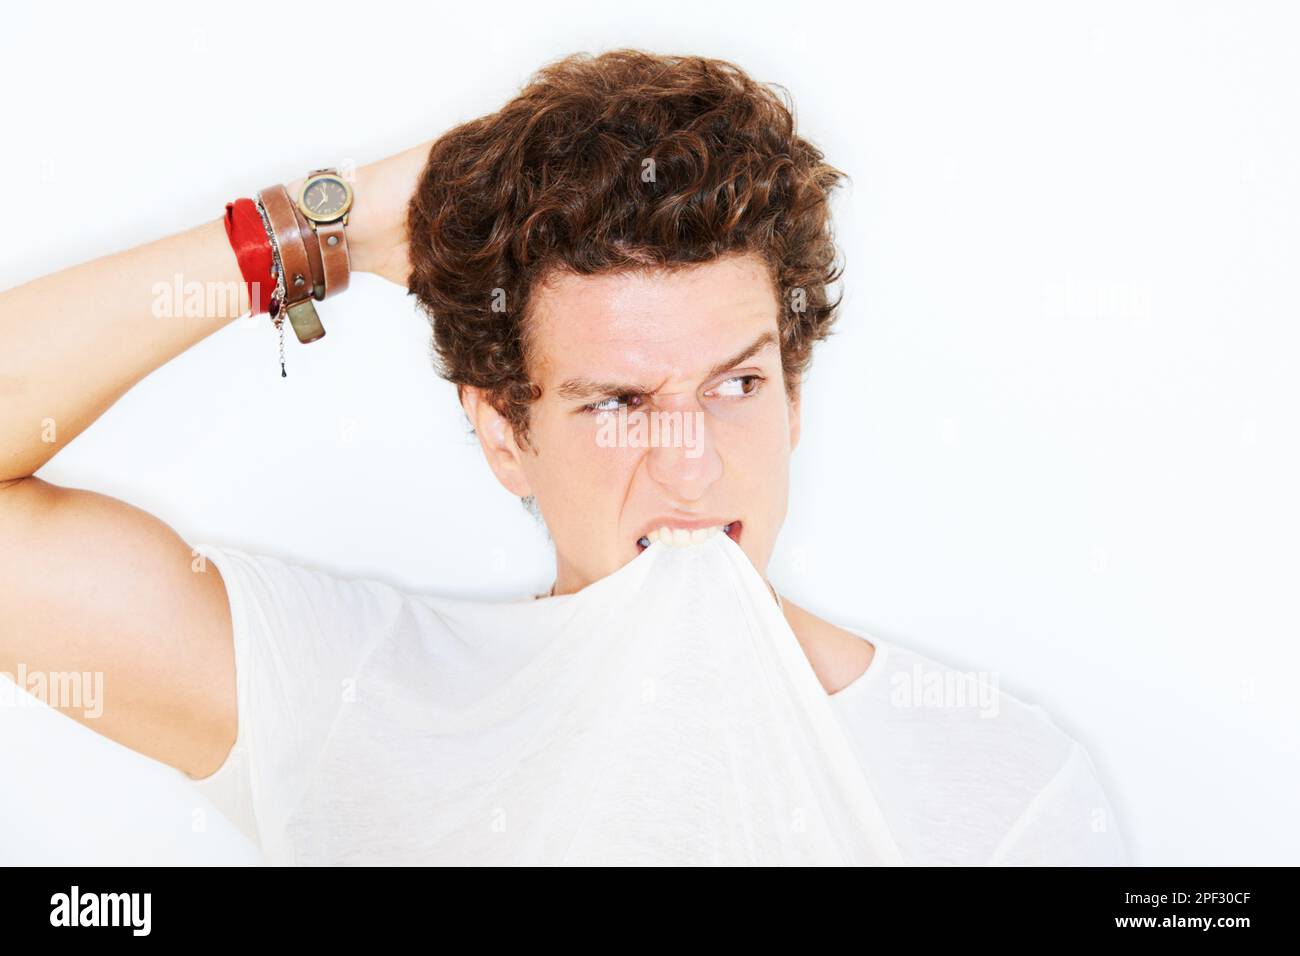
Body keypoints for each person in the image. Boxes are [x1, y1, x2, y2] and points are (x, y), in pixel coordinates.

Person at [0, 49, 1129, 865]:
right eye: (618, 403)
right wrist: (316, 229)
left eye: (735, 384)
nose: (692, 468)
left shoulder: (994, 778)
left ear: (794, 397)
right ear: (503, 430)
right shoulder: (359, 694)